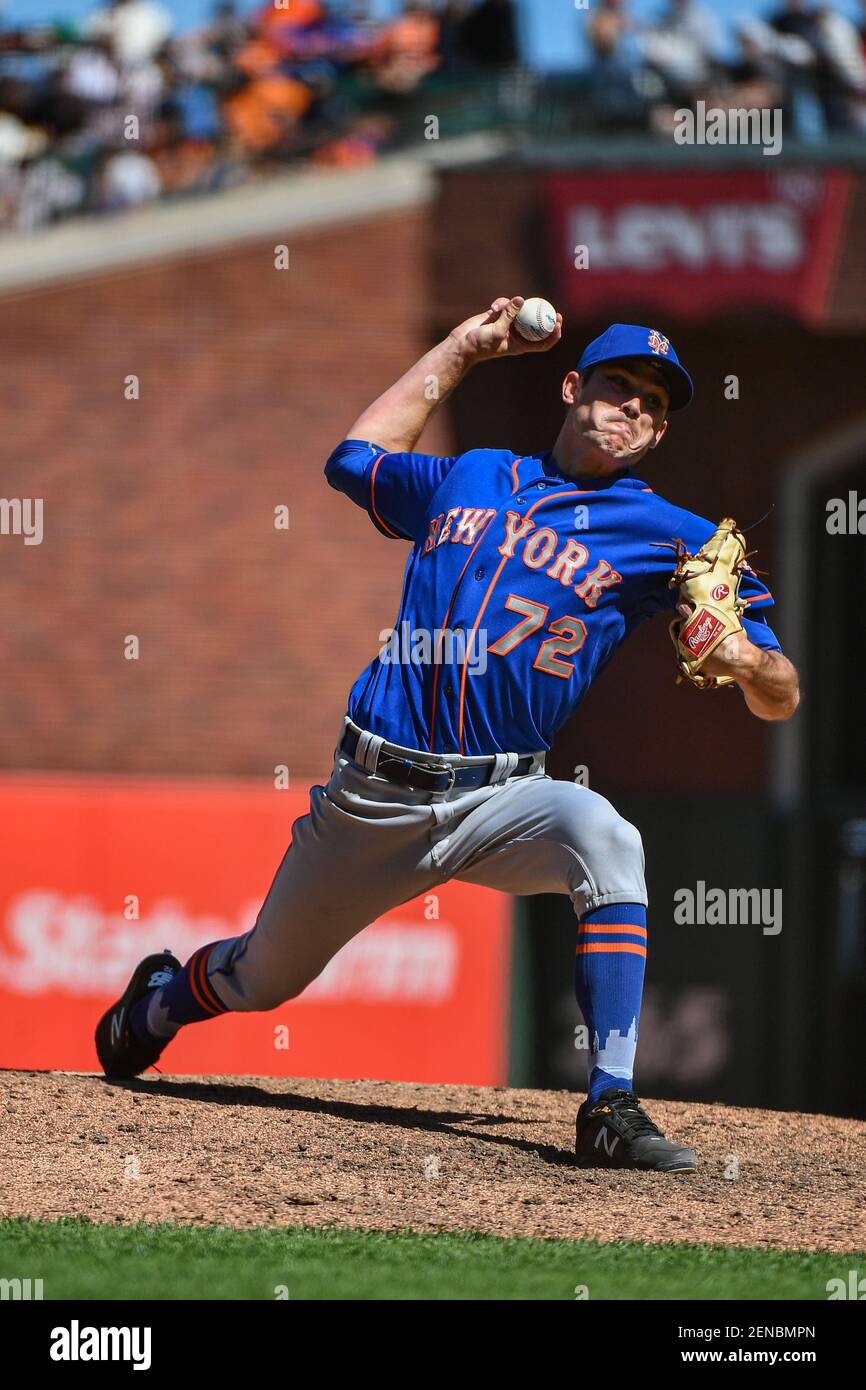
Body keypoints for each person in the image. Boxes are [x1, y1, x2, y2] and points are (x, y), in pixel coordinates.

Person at [96, 299, 800, 1173]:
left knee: (606, 836)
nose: (637, 410)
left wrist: (741, 660)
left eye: (656, 405)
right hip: (372, 801)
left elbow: (783, 697)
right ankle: (157, 1004)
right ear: (573, 387)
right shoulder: (470, 475)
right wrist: (462, 350)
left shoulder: (672, 537)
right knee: (259, 980)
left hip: (501, 797)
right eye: (622, 387)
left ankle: (610, 1103)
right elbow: (352, 460)